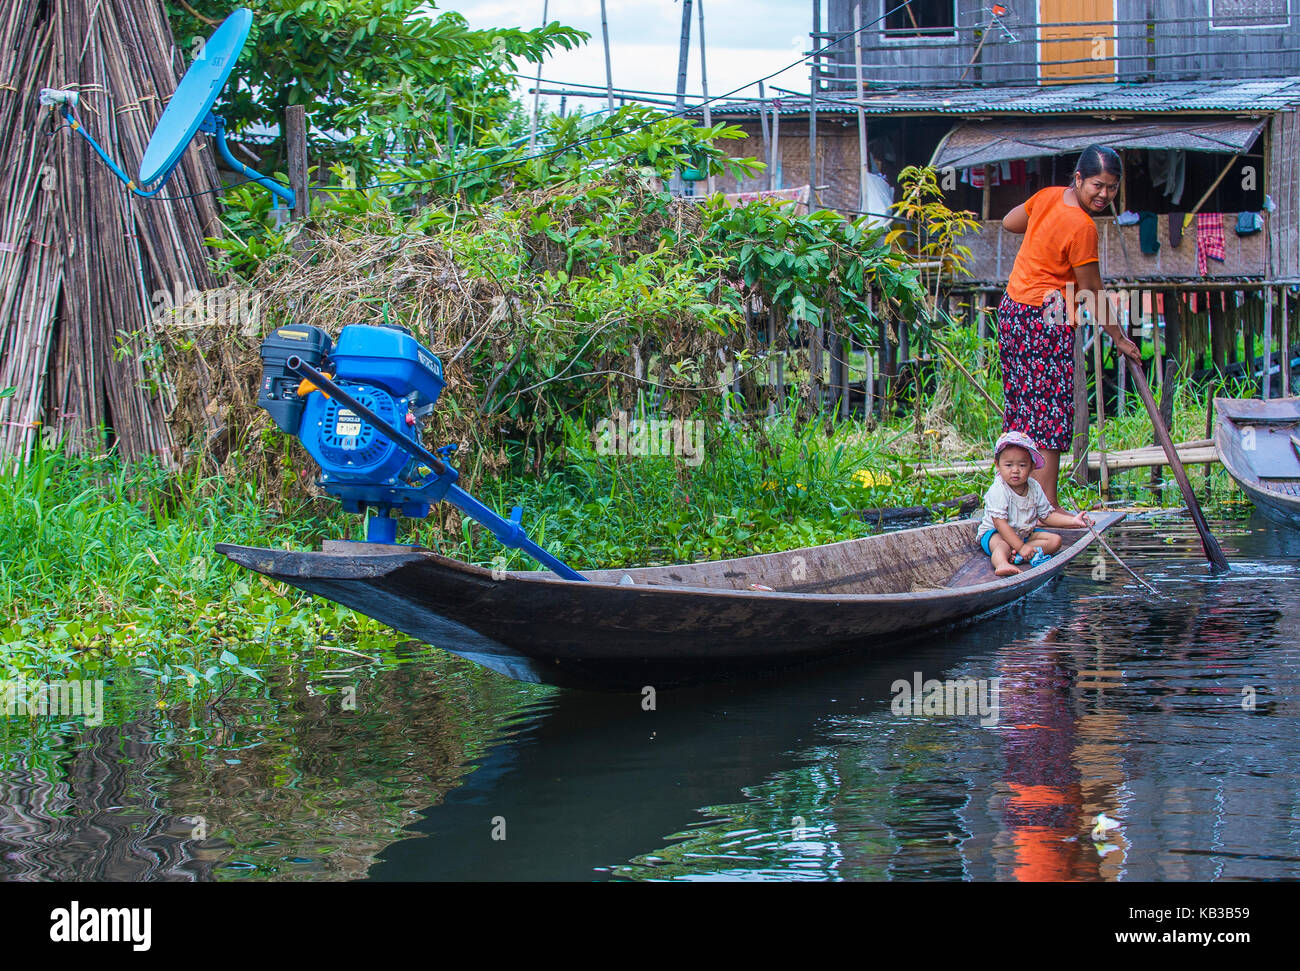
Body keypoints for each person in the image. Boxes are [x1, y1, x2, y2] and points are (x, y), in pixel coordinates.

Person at [999, 144, 1142, 508]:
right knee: (1049, 409)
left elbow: (1009, 222)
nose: (1104, 194)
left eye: (1111, 187)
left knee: (1025, 406)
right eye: (1097, 185)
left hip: (1014, 308)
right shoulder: (1082, 226)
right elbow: (1093, 292)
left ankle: (1019, 499)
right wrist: (1121, 339)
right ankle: (1047, 504)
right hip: (1047, 315)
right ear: (1078, 178)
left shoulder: (1048, 197)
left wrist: (1045, 232)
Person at [978, 431, 1092, 577]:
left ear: (1032, 467)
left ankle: (1018, 554)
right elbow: (1000, 524)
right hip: (996, 533)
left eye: (1022, 465)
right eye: (1008, 465)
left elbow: (1046, 516)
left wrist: (1072, 521)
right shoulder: (999, 488)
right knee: (1002, 546)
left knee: (1055, 541)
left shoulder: (1034, 487)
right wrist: (1021, 546)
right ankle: (1002, 563)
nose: (1015, 470)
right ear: (998, 466)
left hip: (1024, 534)